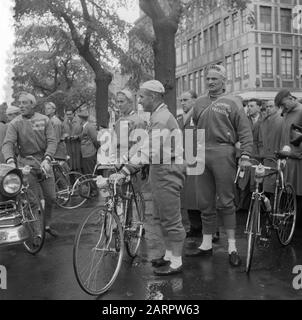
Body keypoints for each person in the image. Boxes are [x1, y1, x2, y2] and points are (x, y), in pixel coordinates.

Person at [109, 80, 186, 276]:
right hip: (161, 168)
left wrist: (126, 170)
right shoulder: (158, 115)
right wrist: (126, 160)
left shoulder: (161, 118)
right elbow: (144, 145)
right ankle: (169, 255)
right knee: (161, 216)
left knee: (171, 217)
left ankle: (176, 262)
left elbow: (150, 150)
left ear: (153, 97)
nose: (140, 101)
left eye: (142, 97)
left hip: (167, 169)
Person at [186, 64, 253, 267]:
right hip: (201, 154)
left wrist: (246, 155)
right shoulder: (198, 103)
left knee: (226, 201)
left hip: (224, 152)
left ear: (224, 81)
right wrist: (189, 156)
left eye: (215, 79)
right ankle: (206, 244)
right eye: (208, 79)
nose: (210, 82)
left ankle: (232, 247)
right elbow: (191, 130)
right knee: (204, 201)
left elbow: (245, 131)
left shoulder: (233, 102)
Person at [2, 92, 58, 236]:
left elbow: (52, 140)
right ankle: (37, 232)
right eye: (19, 103)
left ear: (33, 104)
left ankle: (47, 225)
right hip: (26, 164)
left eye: (24, 103)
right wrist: (10, 161)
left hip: (44, 162)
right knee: (32, 200)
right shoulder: (15, 123)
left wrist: (47, 158)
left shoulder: (45, 120)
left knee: (51, 197)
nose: (21, 106)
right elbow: (8, 144)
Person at [274, 89, 302, 225]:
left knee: (298, 192)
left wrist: (296, 153)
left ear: (291, 98)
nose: (283, 108)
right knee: (287, 191)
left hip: (297, 160)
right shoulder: (287, 113)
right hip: (286, 159)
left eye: (284, 104)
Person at [177, 90, 202, 238]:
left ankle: (211, 229)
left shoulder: (199, 117)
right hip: (183, 161)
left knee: (202, 195)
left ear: (194, 100)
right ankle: (195, 226)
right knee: (187, 195)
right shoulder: (179, 119)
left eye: (185, 100)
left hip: (197, 161)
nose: (182, 103)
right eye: (181, 100)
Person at [77, 107, 98, 197]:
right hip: (86, 153)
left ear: (81, 119)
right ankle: (91, 189)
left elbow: (95, 139)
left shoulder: (89, 127)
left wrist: (96, 149)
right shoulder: (85, 127)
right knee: (87, 172)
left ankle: (94, 190)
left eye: (78, 118)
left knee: (90, 172)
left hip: (89, 152)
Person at [63, 107, 82, 172]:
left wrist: (78, 136)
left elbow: (84, 133)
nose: (68, 116)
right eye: (67, 114)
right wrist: (64, 136)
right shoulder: (64, 122)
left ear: (74, 114)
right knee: (70, 166)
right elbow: (62, 133)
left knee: (79, 166)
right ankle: (71, 181)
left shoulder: (79, 121)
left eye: (70, 114)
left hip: (77, 146)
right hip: (69, 147)